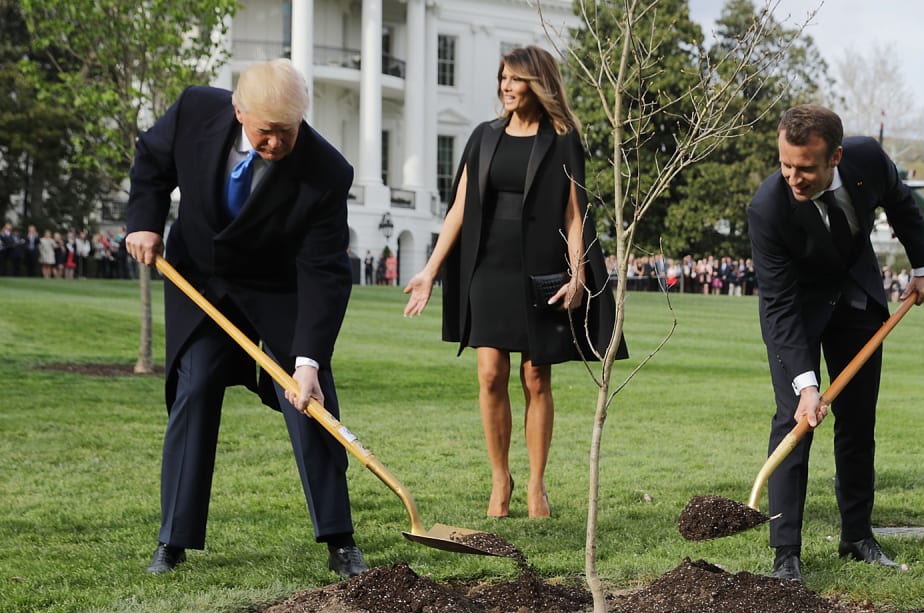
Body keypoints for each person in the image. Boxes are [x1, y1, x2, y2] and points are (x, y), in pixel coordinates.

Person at [125, 59, 367, 577]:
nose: (276, 144)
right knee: (196, 386)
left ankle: (340, 539)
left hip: (279, 290)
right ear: (239, 112)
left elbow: (325, 271)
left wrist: (307, 362)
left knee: (310, 399)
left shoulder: (327, 172)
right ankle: (174, 541)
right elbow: (151, 160)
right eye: (265, 132)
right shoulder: (195, 110)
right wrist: (145, 222)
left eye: (287, 132)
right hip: (201, 281)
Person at [402, 45, 620, 519]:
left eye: (515, 79)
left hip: (539, 270)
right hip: (487, 269)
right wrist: (429, 270)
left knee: (536, 375)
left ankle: (537, 486)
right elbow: (459, 207)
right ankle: (501, 479)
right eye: (502, 77)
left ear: (536, 84)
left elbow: (574, 212)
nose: (505, 85)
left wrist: (578, 272)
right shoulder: (483, 136)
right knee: (489, 375)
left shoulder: (562, 139)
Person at [747, 105, 924, 582]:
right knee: (795, 418)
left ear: (835, 157)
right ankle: (785, 553)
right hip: (800, 312)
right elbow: (779, 305)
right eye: (786, 164)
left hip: (855, 296)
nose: (793, 176)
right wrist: (806, 386)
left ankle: (856, 537)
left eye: (806, 167)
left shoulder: (867, 159)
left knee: (857, 422)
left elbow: (901, 203)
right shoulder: (767, 207)